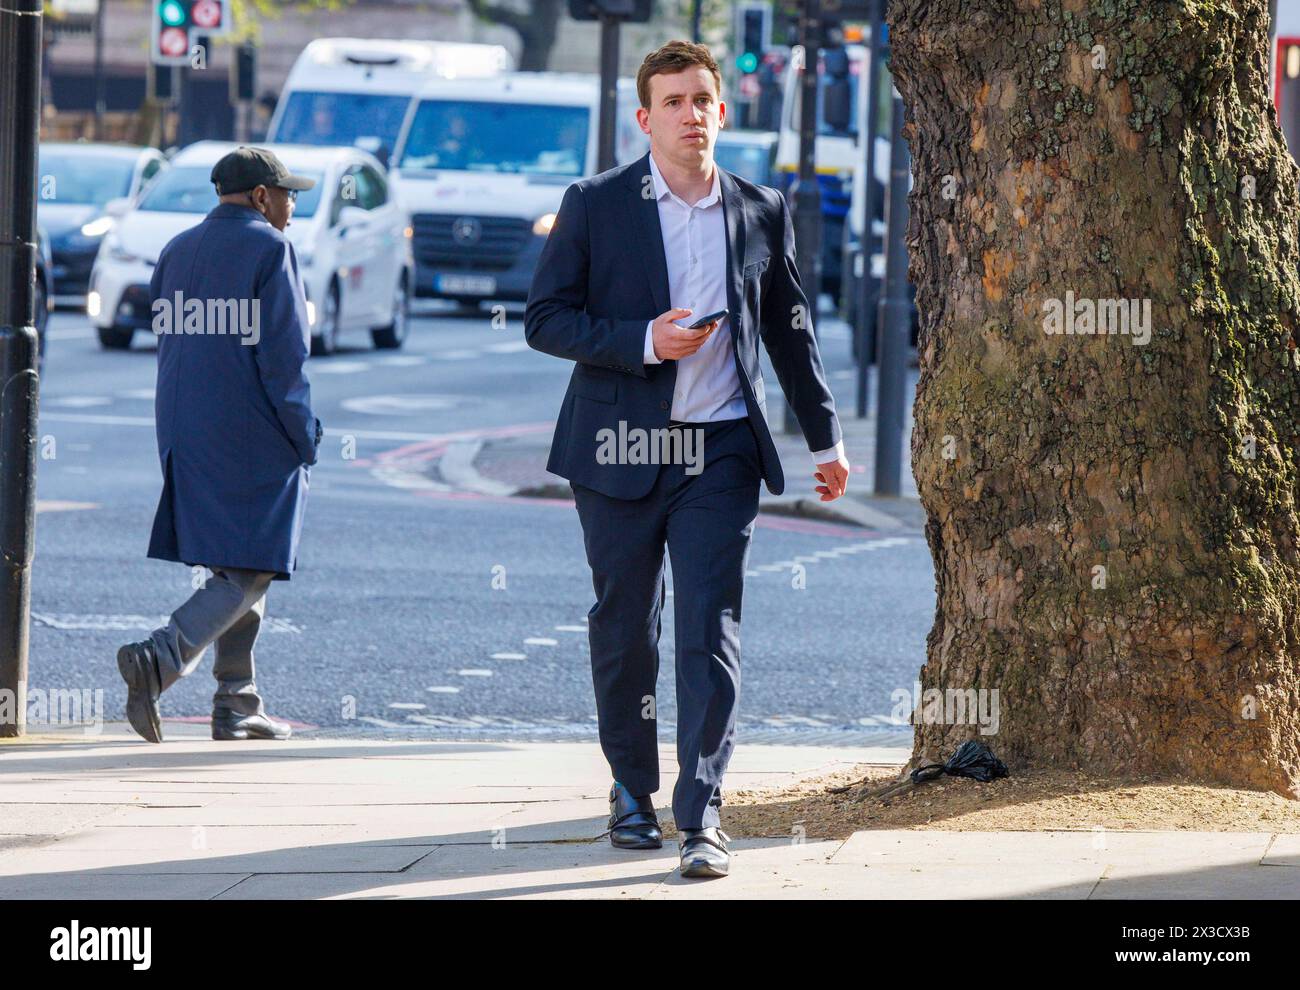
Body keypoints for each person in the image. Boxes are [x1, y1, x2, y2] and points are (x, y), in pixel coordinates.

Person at [524, 41, 849, 878]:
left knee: (710, 630)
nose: (689, 114)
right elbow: (545, 318)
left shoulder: (758, 207)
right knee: (626, 630)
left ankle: (703, 812)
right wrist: (642, 340)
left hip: (721, 453)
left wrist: (826, 439)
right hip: (621, 448)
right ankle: (631, 792)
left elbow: (790, 328)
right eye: (672, 102)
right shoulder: (594, 205)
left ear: (721, 111)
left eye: (702, 100)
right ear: (645, 118)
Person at [115, 147, 321, 744]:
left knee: (234, 561)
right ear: (261, 196)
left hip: (184, 429)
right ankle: (158, 658)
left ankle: (236, 702)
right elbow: (285, 361)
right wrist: (304, 435)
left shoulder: (177, 250)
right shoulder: (271, 249)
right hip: (252, 433)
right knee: (252, 564)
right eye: (288, 195)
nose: (292, 207)